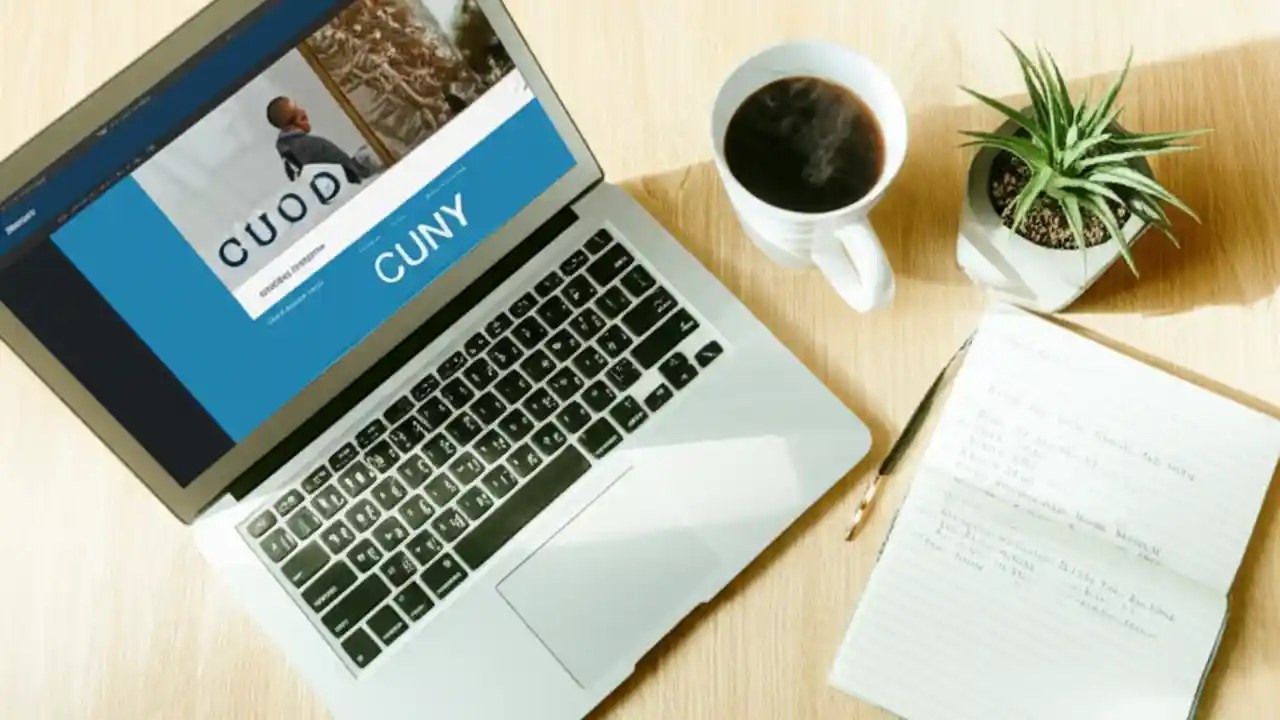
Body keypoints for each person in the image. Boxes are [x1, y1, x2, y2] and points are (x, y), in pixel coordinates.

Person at [266, 96, 374, 184]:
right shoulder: (312, 146)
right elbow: (354, 177)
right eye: (298, 112)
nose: (303, 111)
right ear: (288, 126)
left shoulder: (287, 151)